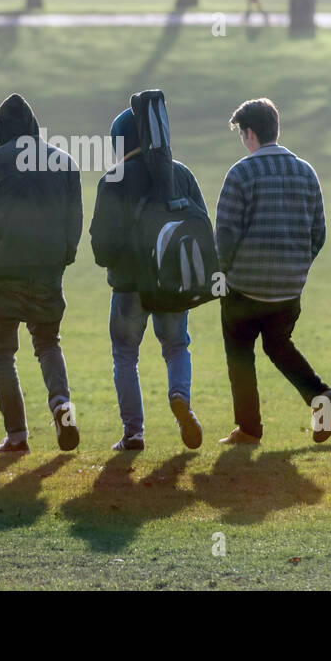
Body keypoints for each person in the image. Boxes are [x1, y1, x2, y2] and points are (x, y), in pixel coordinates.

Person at [0, 93, 83, 454]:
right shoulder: (64, 161)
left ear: (0, 130)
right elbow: (74, 220)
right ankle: (61, 405)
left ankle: (16, 436)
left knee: (2, 353)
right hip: (47, 272)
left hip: (3, 272)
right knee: (48, 344)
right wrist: (63, 258)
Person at [214, 97, 331, 445]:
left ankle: (249, 429)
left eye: (241, 133)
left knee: (239, 352)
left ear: (250, 133)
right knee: (278, 344)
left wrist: (222, 273)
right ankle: (319, 396)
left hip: (245, 287)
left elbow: (226, 234)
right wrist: (297, 267)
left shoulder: (240, 173)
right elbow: (319, 233)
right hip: (289, 289)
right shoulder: (306, 171)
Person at [89, 104, 206, 452]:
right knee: (176, 346)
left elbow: (100, 246)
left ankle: (134, 433)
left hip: (128, 287)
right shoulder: (180, 173)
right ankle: (179, 396)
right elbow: (200, 224)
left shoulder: (113, 179)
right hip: (173, 283)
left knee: (125, 355)